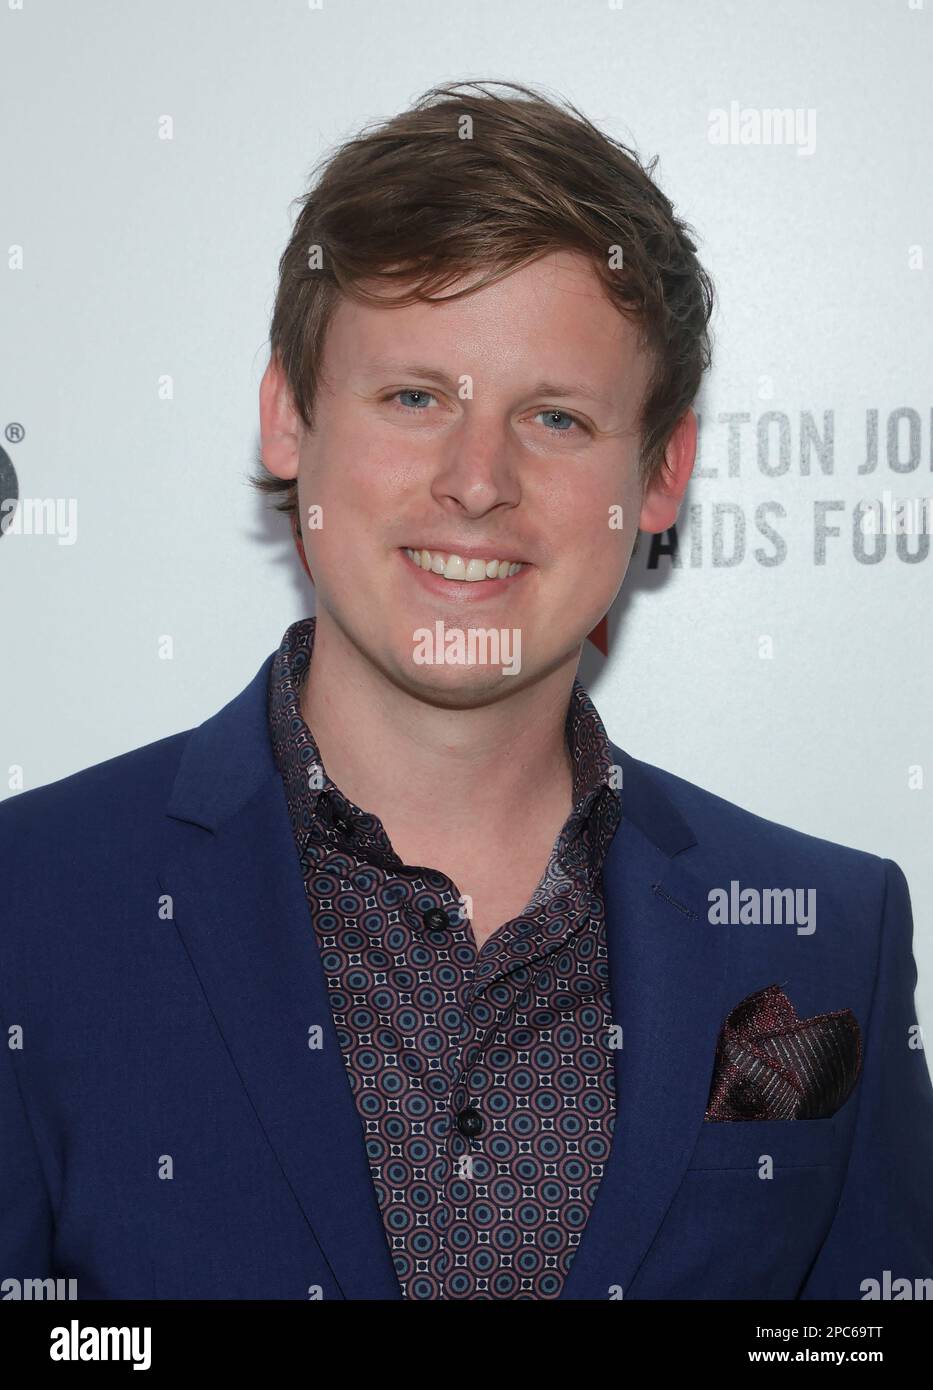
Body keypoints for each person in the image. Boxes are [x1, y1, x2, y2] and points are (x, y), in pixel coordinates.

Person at [1, 80, 931, 1302]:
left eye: (553, 415)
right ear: (287, 415)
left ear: (661, 476)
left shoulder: (828, 928)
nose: (476, 480)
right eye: (415, 397)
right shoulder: (32, 904)